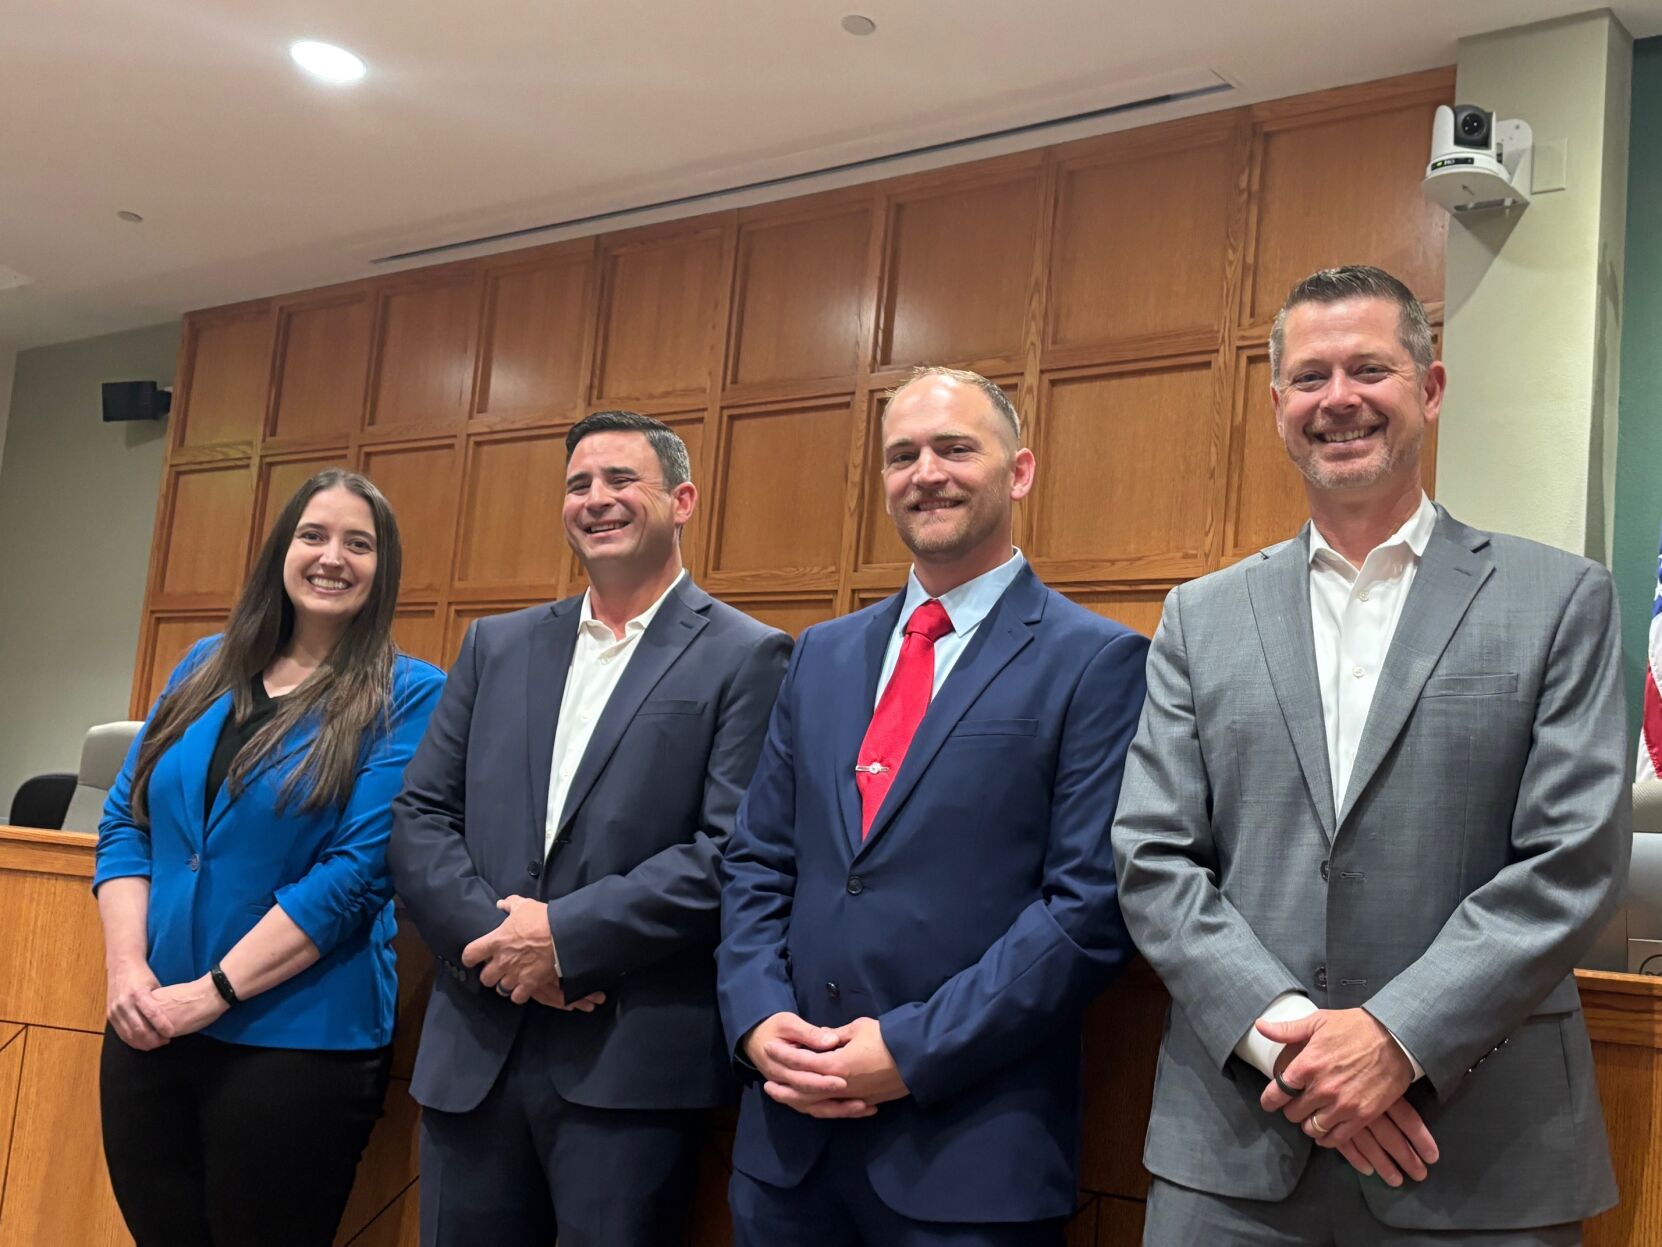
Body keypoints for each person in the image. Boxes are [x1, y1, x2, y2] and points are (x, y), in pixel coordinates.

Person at [1111, 265, 1628, 1245]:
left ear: (1429, 389)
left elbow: (1572, 858)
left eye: (1369, 369)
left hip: (1478, 1153)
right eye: (1309, 378)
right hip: (1235, 1148)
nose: (1337, 398)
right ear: (1276, 407)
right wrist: (1289, 1047)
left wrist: (1396, 1035)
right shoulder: (1200, 614)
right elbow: (1152, 856)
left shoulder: (1559, 598)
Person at [716, 367, 1149, 1246]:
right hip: (786, 1148)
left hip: (968, 1158)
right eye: (903, 454)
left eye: (956, 448)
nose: (927, 472)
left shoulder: (1095, 661)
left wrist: (909, 1053)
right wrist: (757, 1015)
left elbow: (1085, 912)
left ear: (1019, 471)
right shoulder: (822, 655)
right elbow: (759, 859)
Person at [390, 410, 791, 1247]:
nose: (596, 499)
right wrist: (502, 949)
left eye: (620, 480)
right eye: (579, 484)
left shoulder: (748, 655)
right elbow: (421, 815)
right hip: (476, 1050)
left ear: (682, 500)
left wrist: (565, 938)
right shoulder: (495, 646)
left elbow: (729, 853)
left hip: (628, 1068)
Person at [95, 468, 445, 1247]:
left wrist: (212, 993)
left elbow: (357, 874)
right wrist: (127, 971)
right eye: (313, 534)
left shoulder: (411, 694)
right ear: (281, 551)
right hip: (149, 1023)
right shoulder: (204, 664)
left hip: (298, 1039)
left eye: (360, 543)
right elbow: (128, 818)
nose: (333, 556)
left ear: (382, 568)